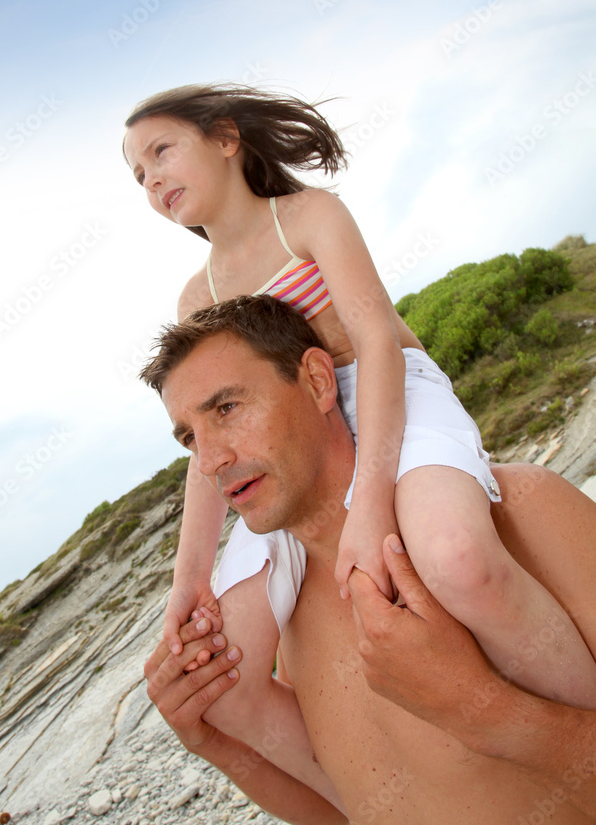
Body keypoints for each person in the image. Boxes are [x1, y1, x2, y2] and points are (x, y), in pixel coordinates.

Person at [124, 84, 596, 795]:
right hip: (288, 425)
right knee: (221, 670)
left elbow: (374, 339)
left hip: (388, 386)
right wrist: (186, 580)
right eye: (137, 174)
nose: (151, 178)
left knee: (457, 556)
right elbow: (208, 440)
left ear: (225, 138)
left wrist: (370, 502)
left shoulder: (307, 216)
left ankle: (574, 735)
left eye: (160, 151)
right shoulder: (199, 295)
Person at [142, 296, 596, 823]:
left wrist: (481, 705)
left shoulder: (525, 517)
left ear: (317, 380)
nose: (210, 459)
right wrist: (212, 743)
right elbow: (351, 810)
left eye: (228, 409)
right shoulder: (290, 634)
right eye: (190, 438)